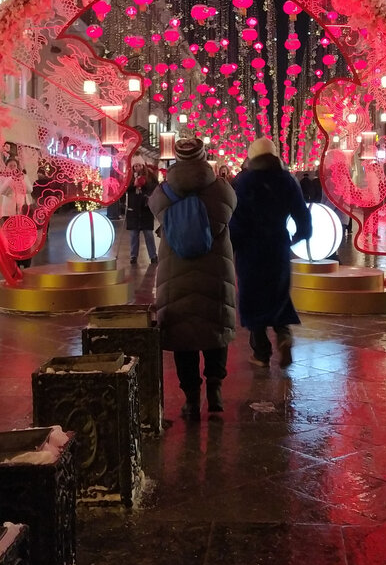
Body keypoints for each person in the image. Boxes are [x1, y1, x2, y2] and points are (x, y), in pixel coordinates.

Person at [149, 137, 237, 420]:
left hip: (177, 273)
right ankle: (215, 390)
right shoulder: (222, 190)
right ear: (203, 156)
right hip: (215, 270)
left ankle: (190, 398)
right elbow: (233, 206)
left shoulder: (164, 193)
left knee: (182, 332)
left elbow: (153, 207)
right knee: (215, 330)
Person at [230, 137, 311, 368]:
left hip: (250, 248)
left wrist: (232, 245)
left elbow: (236, 219)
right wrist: (302, 235)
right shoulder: (287, 180)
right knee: (278, 292)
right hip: (278, 244)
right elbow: (301, 213)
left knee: (252, 295)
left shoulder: (243, 182)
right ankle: (283, 335)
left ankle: (261, 352)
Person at [124, 165, 158, 266]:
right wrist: (133, 185)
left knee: (148, 234)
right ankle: (133, 256)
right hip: (134, 209)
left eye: (139, 165)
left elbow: (155, 187)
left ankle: (153, 256)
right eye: (135, 166)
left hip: (145, 209)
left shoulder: (150, 176)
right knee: (134, 235)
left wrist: (145, 184)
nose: (137, 168)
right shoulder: (129, 176)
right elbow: (125, 189)